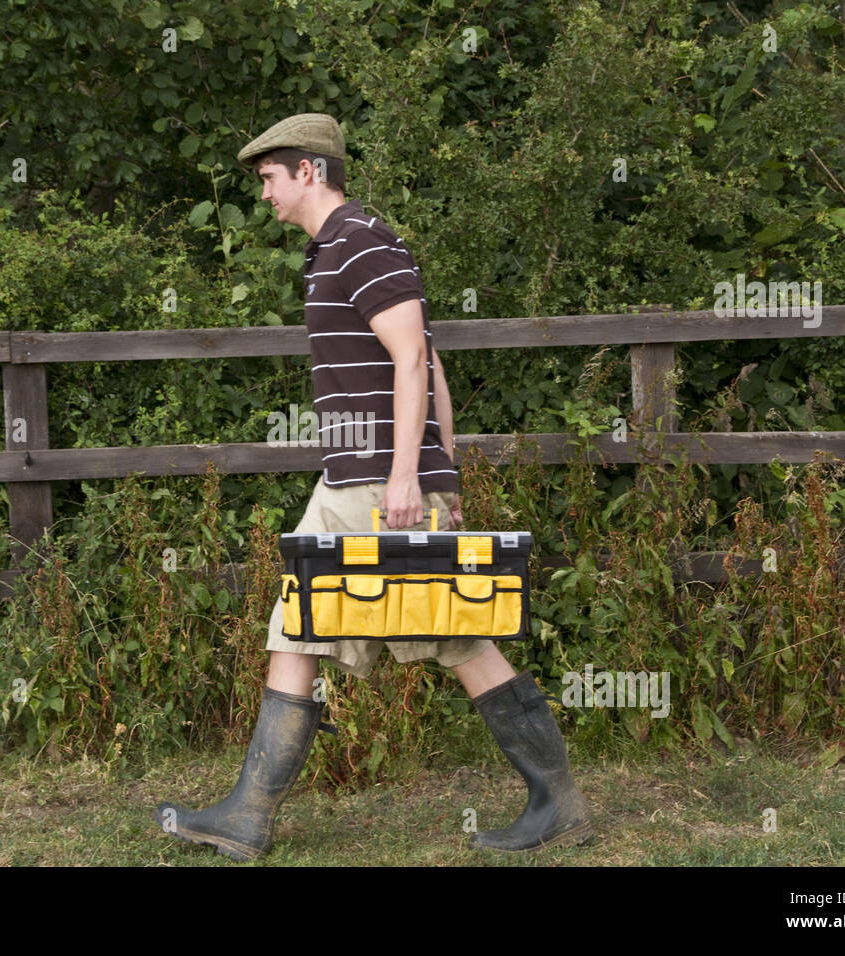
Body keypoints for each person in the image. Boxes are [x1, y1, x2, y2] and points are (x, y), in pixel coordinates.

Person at [154, 113, 591, 860]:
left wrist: (413, 479)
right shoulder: (331, 252)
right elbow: (430, 362)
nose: (262, 194)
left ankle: (555, 799)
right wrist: (439, 467)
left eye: (268, 178)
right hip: (351, 478)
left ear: (309, 172)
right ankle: (249, 814)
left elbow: (412, 356)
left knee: (454, 637)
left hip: (377, 483)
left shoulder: (363, 240)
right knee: (302, 623)